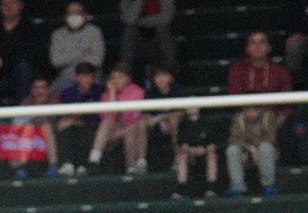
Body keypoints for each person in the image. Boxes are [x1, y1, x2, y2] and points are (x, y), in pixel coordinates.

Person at [143, 67, 218, 195]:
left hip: (202, 150)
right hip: (184, 149)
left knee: (212, 155)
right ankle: (181, 188)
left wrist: (204, 149)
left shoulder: (206, 121)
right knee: (182, 155)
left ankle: (212, 187)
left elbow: (211, 142)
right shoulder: (184, 123)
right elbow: (182, 140)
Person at [86, 65, 148, 176]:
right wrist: (113, 94)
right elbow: (107, 115)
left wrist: (122, 128)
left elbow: (134, 116)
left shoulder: (137, 91)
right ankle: (94, 159)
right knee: (107, 121)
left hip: (133, 128)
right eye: (113, 77)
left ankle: (133, 167)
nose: (116, 80)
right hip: (114, 131)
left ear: (128, 79)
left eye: (120, 77)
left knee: (134, 128)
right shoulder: (107, 94)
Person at [118, 0, 177, 73]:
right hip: (138, 42)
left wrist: (140, 21)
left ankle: (170, 73)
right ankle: (124, 74)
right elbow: (129, 20)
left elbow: (166, 18)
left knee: (163, 28)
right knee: (129, 31)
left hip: (159, 41)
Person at [226, 105, 282, 196]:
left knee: (265, 148)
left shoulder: (268, 117)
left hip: (266, 151)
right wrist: (250, 149)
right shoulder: (238, 119)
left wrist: (256, 149)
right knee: (232, 150)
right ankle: (238, 187)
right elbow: (233, 138)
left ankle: (268, 185)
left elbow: (271, 138)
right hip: (246, 152)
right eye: (248, 109)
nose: (251, 113)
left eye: (254, 110)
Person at [51, 1, 107, 88]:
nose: (74, 16)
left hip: (92, 77)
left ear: (85, 16)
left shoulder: (95, 31)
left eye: (77, 13)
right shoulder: (57, 34)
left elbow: (97, 61)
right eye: (70, 13)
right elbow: (56, 61)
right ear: (65, 17)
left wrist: (68, 58)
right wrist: (82, 52)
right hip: (67, 78)